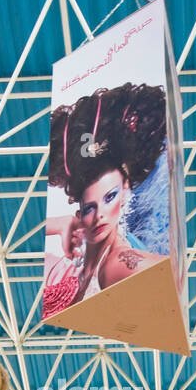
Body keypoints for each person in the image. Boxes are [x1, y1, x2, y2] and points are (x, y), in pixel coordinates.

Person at [43, 83, 170, 314]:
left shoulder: (117, 261)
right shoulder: (71, 265)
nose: (100, 214)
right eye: (90, 207)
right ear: (79, 214)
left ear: (125, 192)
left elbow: (161, 274)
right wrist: (59, 223)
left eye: (110, 197)